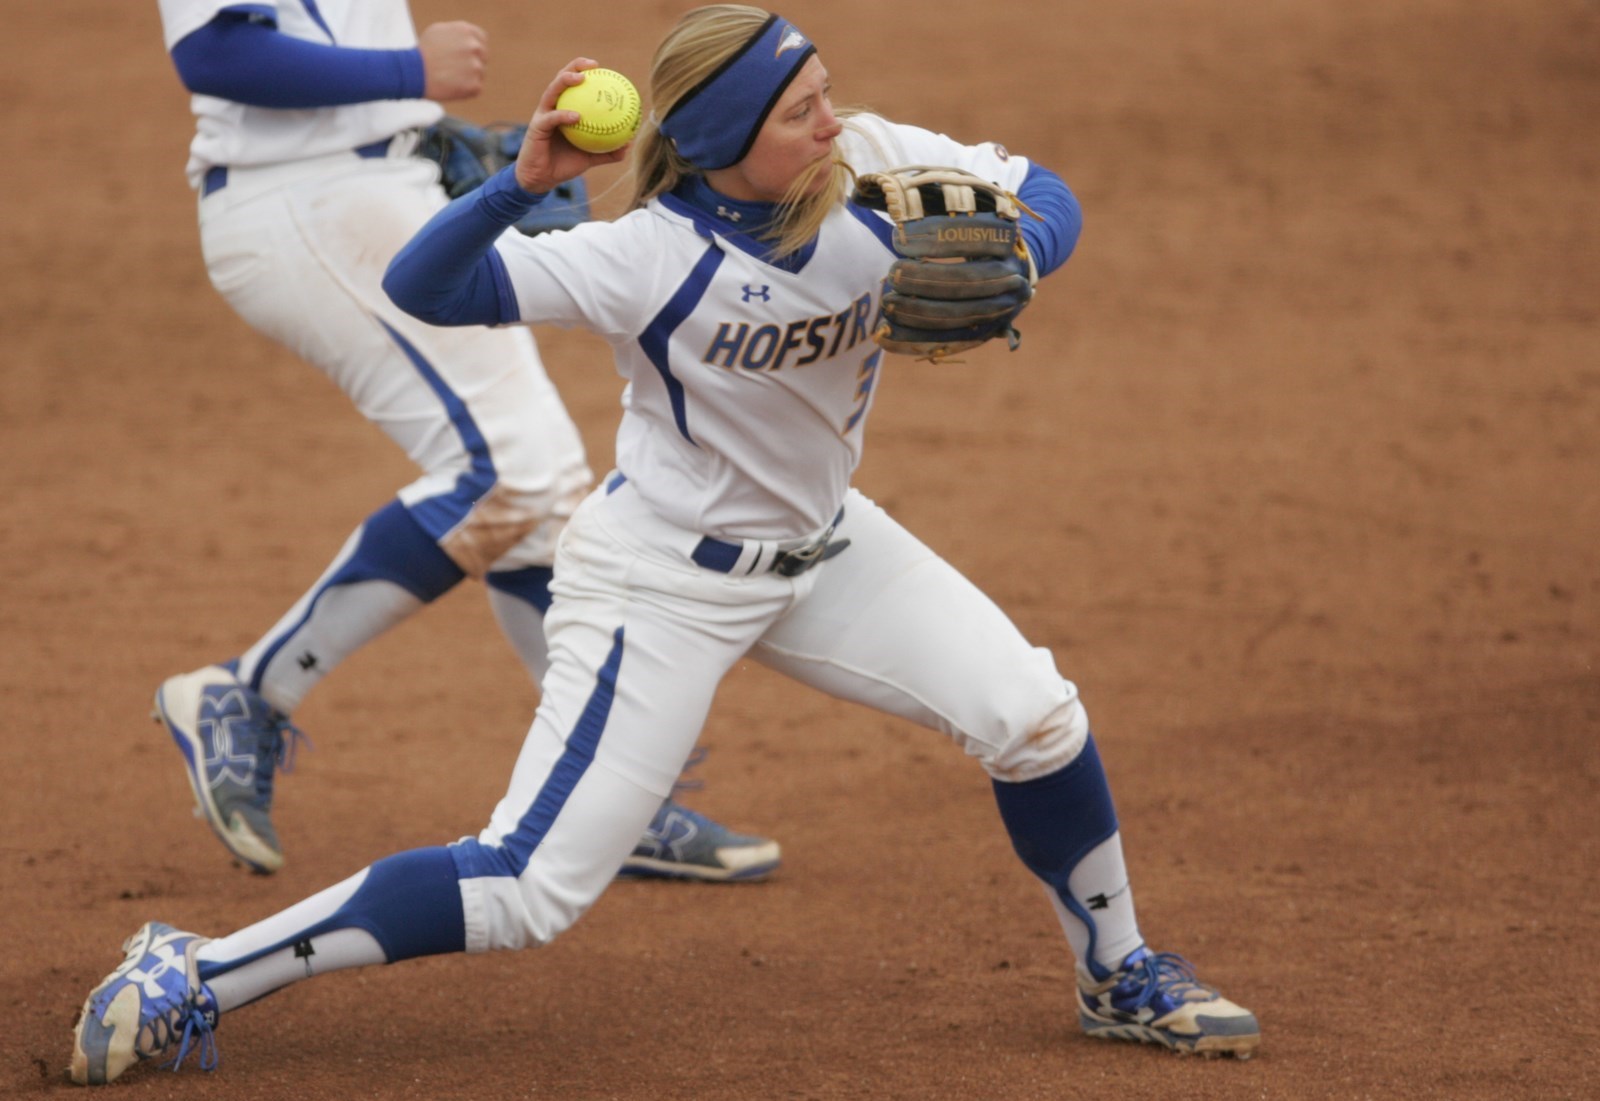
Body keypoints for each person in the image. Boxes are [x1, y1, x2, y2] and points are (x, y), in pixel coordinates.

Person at [69, 6, 1260, 1085]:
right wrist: (515, 183)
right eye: (802, 112)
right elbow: (426, 288)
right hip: (657, 585)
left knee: (1034, 716)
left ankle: (1117, 973)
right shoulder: (644, 257)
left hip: (829, 550)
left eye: (826, 91)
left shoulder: (876, 165)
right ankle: (198, 969)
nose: (832, 120)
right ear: (735, 139)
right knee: (524, 885)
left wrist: (1031, 248)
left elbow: (1038, 185)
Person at [147, 0, 778, 883]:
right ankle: (246, 692)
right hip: (305, 204)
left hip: (378, 188)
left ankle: (602, 794)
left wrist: (417, 119)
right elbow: (214, 54)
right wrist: (411, 74)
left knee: (547, 492)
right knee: (511, 474)